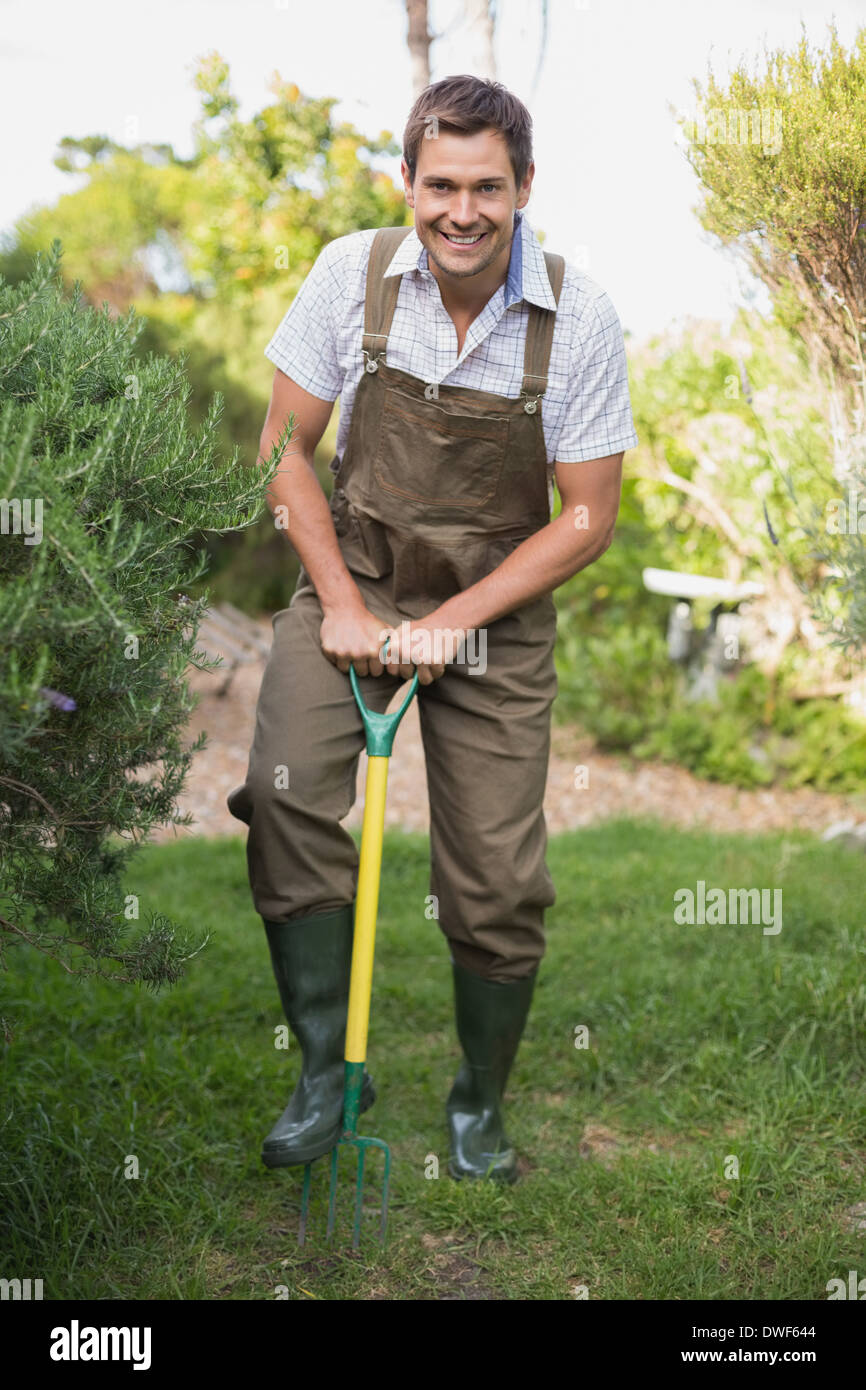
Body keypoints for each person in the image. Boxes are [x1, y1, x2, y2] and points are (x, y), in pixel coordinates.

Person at [227, 73, 639, 1182]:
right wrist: (351, 610)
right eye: (440, 184)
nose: (462, 211)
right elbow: (281, 452)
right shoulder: (349, 279)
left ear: (523, 188)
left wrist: (449, 622)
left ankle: (477, 1105)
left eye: (487, 188)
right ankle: (324, 1071)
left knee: (496, 877)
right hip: (354, 581)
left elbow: (587, 517)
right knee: (284, 791)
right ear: (406, 181)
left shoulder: (577, 315)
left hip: (493, 617)